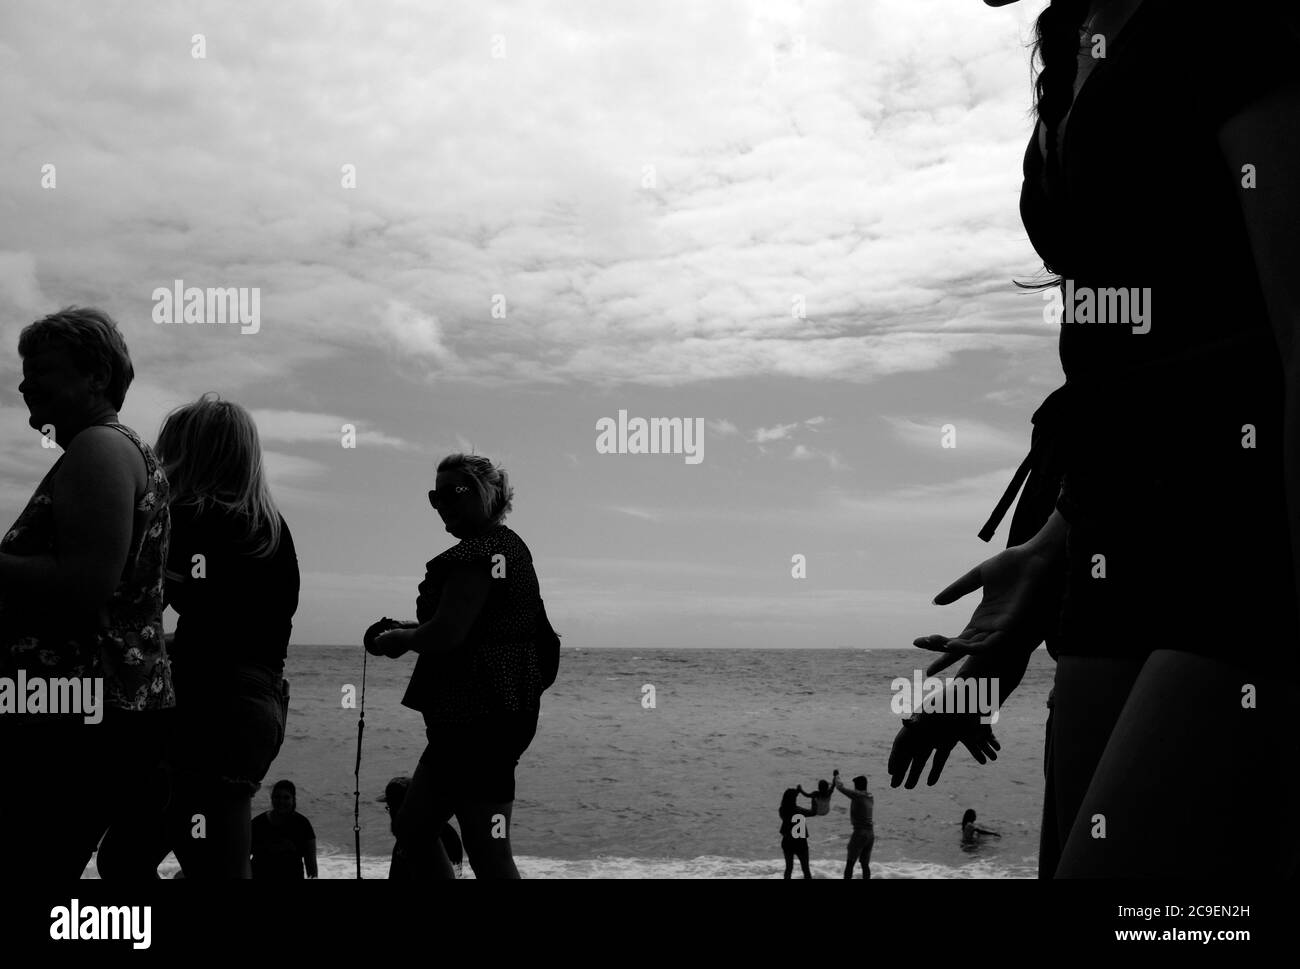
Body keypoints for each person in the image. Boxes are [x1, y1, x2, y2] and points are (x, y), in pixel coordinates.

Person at [891, 0, 1300, 879]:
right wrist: (1046, 560)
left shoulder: (1227, 15)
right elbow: (1119, 367)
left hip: (1242, 516)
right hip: (1109, 524)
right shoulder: (1072, 40)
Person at [0, 307, 175, 879]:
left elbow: (83, 585)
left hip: (77, 715)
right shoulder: (116, 448)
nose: (25, 383)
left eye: (43, 369)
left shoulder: (96, 450)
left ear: (96, 375)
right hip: (106, 708)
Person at [366, 453, 545, 879]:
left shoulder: (483, 552)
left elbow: (446, 633)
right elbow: (471, 627)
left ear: (487, 493)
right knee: (415, 827)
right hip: (490, 719)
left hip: (478, 722)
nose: (442, 503)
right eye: (435, 496)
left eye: (454, 492)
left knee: (485, 848)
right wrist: (413, 631)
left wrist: (399, 640)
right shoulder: (506, 546)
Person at [146, 394, 299, 878]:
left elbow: (143, 611)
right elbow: (235, 626)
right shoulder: (273, 530)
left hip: (206, 700)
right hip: (260, 703)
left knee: (128, 858)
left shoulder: (186, 516)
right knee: (219, 860)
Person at [380, 776, 464, 878]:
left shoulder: (432, 837)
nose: (392, 813)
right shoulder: (410, 836)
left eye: (394, 807)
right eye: (389, 807)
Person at [251, 780, 318, 879]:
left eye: (286, 797)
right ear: (272, 798)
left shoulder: (302, 825)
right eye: (277, 797)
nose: (281, 801)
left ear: (293, 799)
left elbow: (311, 865)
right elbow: (242, 858)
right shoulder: (258, 823)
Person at [835, 774, 874, 879]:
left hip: (860, 833)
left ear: (857, 786)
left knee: (850, 864)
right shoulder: (870, 796)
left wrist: (836, 776)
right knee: (865, 864)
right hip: (870, 834)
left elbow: (839, 787)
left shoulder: (858, 795)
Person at [778, 788, 814, 879]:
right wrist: (813, 798)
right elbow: (813, 812)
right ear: (793, 799)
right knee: (806, 869)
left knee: (789, 868)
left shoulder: (782, 810)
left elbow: (790, 800)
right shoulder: (799, 811)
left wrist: (797, 791)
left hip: (787, 841)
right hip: (800, 843)